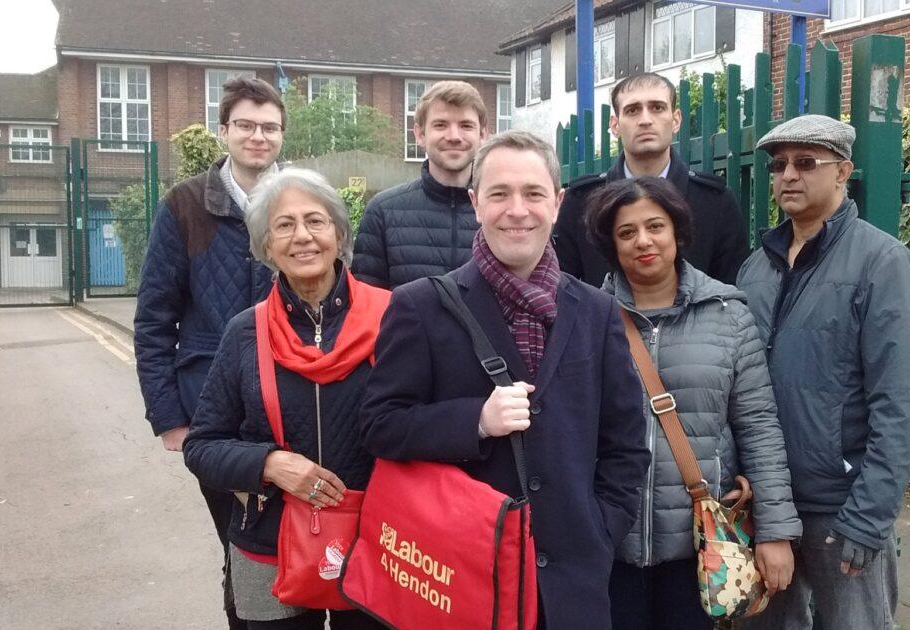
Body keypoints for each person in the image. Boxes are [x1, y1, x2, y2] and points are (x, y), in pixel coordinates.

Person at [359, 130, 651, 629]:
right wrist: (474, 421)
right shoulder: (421, 306)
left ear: (557, 204)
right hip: (465, 578)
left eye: (533, 193)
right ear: (476, 203)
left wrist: (601, 530)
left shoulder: (597, 311)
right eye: (499, 194)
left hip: (570, 587)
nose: (518, 209)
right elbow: (379, 425)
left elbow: (626, 442)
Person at [735, 115, 910, 630]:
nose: (788, 176)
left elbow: (902, 401)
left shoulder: (883, 263)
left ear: (843, 171)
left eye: (805, 163)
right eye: (779, 166)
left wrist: (870, 518)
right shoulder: (757, 266)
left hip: (841, 510)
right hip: (766, 505)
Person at [583, 176, 801, 629]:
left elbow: (759, 425)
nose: (643, 240)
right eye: (626, 232)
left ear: (677, 232)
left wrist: (776, 530)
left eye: (655, 226)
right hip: (610, 543)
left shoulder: (729, 315)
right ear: (611, 244)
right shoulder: (585, 317)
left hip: (700, 547)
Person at [184, 168, 390, 629]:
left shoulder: (393, 318)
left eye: (315, 221)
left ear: (338, 234)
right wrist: (269, 465)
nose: (303, 237)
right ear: (266, 247)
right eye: (284, 225)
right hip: (269, 545)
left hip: (374, 541)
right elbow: (201, 447)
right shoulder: (244, 332)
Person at [134, 76, 284, 629]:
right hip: (210, 410)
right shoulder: (184, 205)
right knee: (238, 545)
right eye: (245, 125)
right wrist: (169, 418)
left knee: (291, 540)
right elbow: (154, 317)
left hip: (288, 402)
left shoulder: (297, 197)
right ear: (224, 131)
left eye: (269, 127)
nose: (257, 137)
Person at [554, 72, 749, 287]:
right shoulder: (580, 203)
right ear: (615, 125)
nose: (645, 120)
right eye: (632, 110)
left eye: (657, 107)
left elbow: (731, 294)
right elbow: (562, 290)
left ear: (675, 120)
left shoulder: (715, 203)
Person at [351, 80, 488, 288]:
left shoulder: (500, 212)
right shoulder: (383, 212)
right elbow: (367, 306)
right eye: (441, 125)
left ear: (482, 135)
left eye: (466, 125)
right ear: (420, 134)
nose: (454, 136)